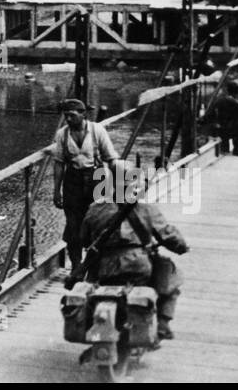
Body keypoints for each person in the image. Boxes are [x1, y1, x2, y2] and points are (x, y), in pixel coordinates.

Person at [80, 182, 189, 341]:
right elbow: (168, 235)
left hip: (104, 267)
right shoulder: (145, 208)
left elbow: (84, 239)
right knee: (170, 275)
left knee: (93, 290)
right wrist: (182, 247)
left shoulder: (96, 208)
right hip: (138, 265)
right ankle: (163, 324)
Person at [50, 99, 120, 272]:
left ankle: (95, 263)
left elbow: (111, 159)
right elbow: (59, 163)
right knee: (73, 225)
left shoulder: (97, 131)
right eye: (66, 116)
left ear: (83, 115)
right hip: (72, 180)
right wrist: (56, 190)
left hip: (96, 177)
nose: (68, 119)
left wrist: (121, 185)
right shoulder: (62, 135)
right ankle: (76, 265)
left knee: (98, 221)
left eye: (72, 116)